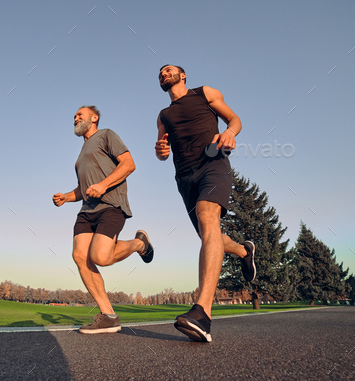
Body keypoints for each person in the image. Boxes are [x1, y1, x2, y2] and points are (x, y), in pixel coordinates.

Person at [155, 65, 256, 342]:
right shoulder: (163, 115)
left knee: (207, 217)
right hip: (184, 176)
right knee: (207, 233)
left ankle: (202, 313)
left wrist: (230, 133)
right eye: (161, 72)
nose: (164, 73)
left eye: (169, 70)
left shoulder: (205, 93)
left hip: (213, 164)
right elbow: (162, 150)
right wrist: (160, 150)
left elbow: (234, 119)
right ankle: (244, 252)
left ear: (183, 75)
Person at [53, 105, 154, 334]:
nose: (76, 117)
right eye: (74, 116)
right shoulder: (80, 156)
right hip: (86, 210)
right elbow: (84, 188)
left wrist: (103, 185)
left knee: (99, 256)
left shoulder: (106, 134)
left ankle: (140, 244)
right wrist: (67, 197)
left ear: (94, 117)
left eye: (80, 114)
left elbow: (129, 164)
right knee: (80, 256)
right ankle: (108, 315)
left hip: (110, 204)